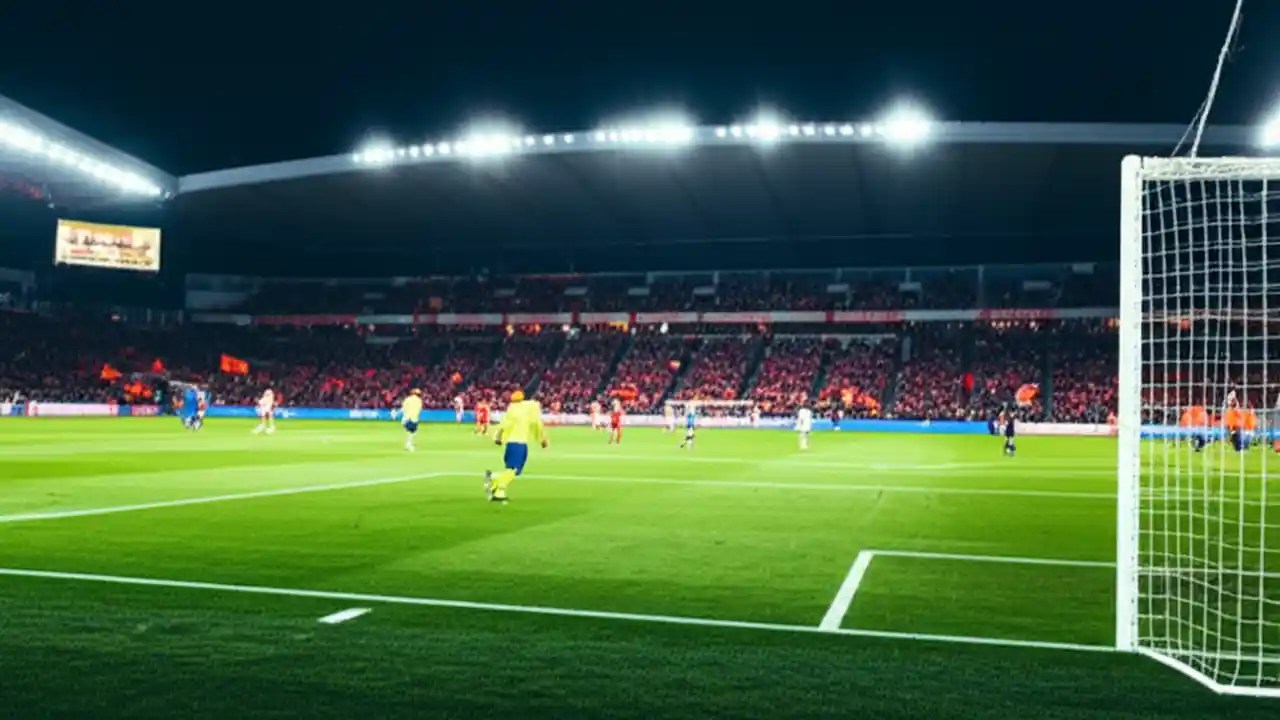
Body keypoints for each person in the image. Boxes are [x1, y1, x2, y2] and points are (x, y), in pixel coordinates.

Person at [485, 390, 548, 504]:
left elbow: (504, 424)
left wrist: (498, 438)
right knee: (514, 470)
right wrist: (542, 439)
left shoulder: (512, 409)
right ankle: (494, 478)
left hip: (510, 443)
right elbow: (537, 424)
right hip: (519, 443)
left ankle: (499, 493)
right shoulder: (530, 408)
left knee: (510, 469)